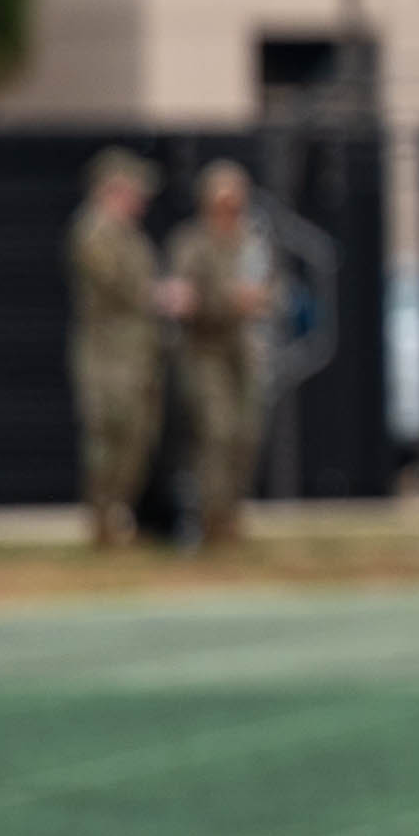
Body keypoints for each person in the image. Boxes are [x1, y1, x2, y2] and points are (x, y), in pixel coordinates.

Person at [167, 162, 275, 549]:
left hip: (243, 350)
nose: (231, 207)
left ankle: (232, 516)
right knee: (217, 433)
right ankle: (211, 520)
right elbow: (187, 300)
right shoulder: (191, 243)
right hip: (206, 351)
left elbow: (272, 288)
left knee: (247, 434)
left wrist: (262, 299)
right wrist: (230, 302)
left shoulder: (252, 242)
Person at [68, 151, 166, 551]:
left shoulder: (131, 235)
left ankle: (118, 514)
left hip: (139, 353)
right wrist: (158, 295)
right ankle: (102, 520)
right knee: (108, 435)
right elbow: (116, 283)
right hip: (107, 356)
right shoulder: (93, 230)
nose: (141, 200)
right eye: (134, 191)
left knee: (137, 435)